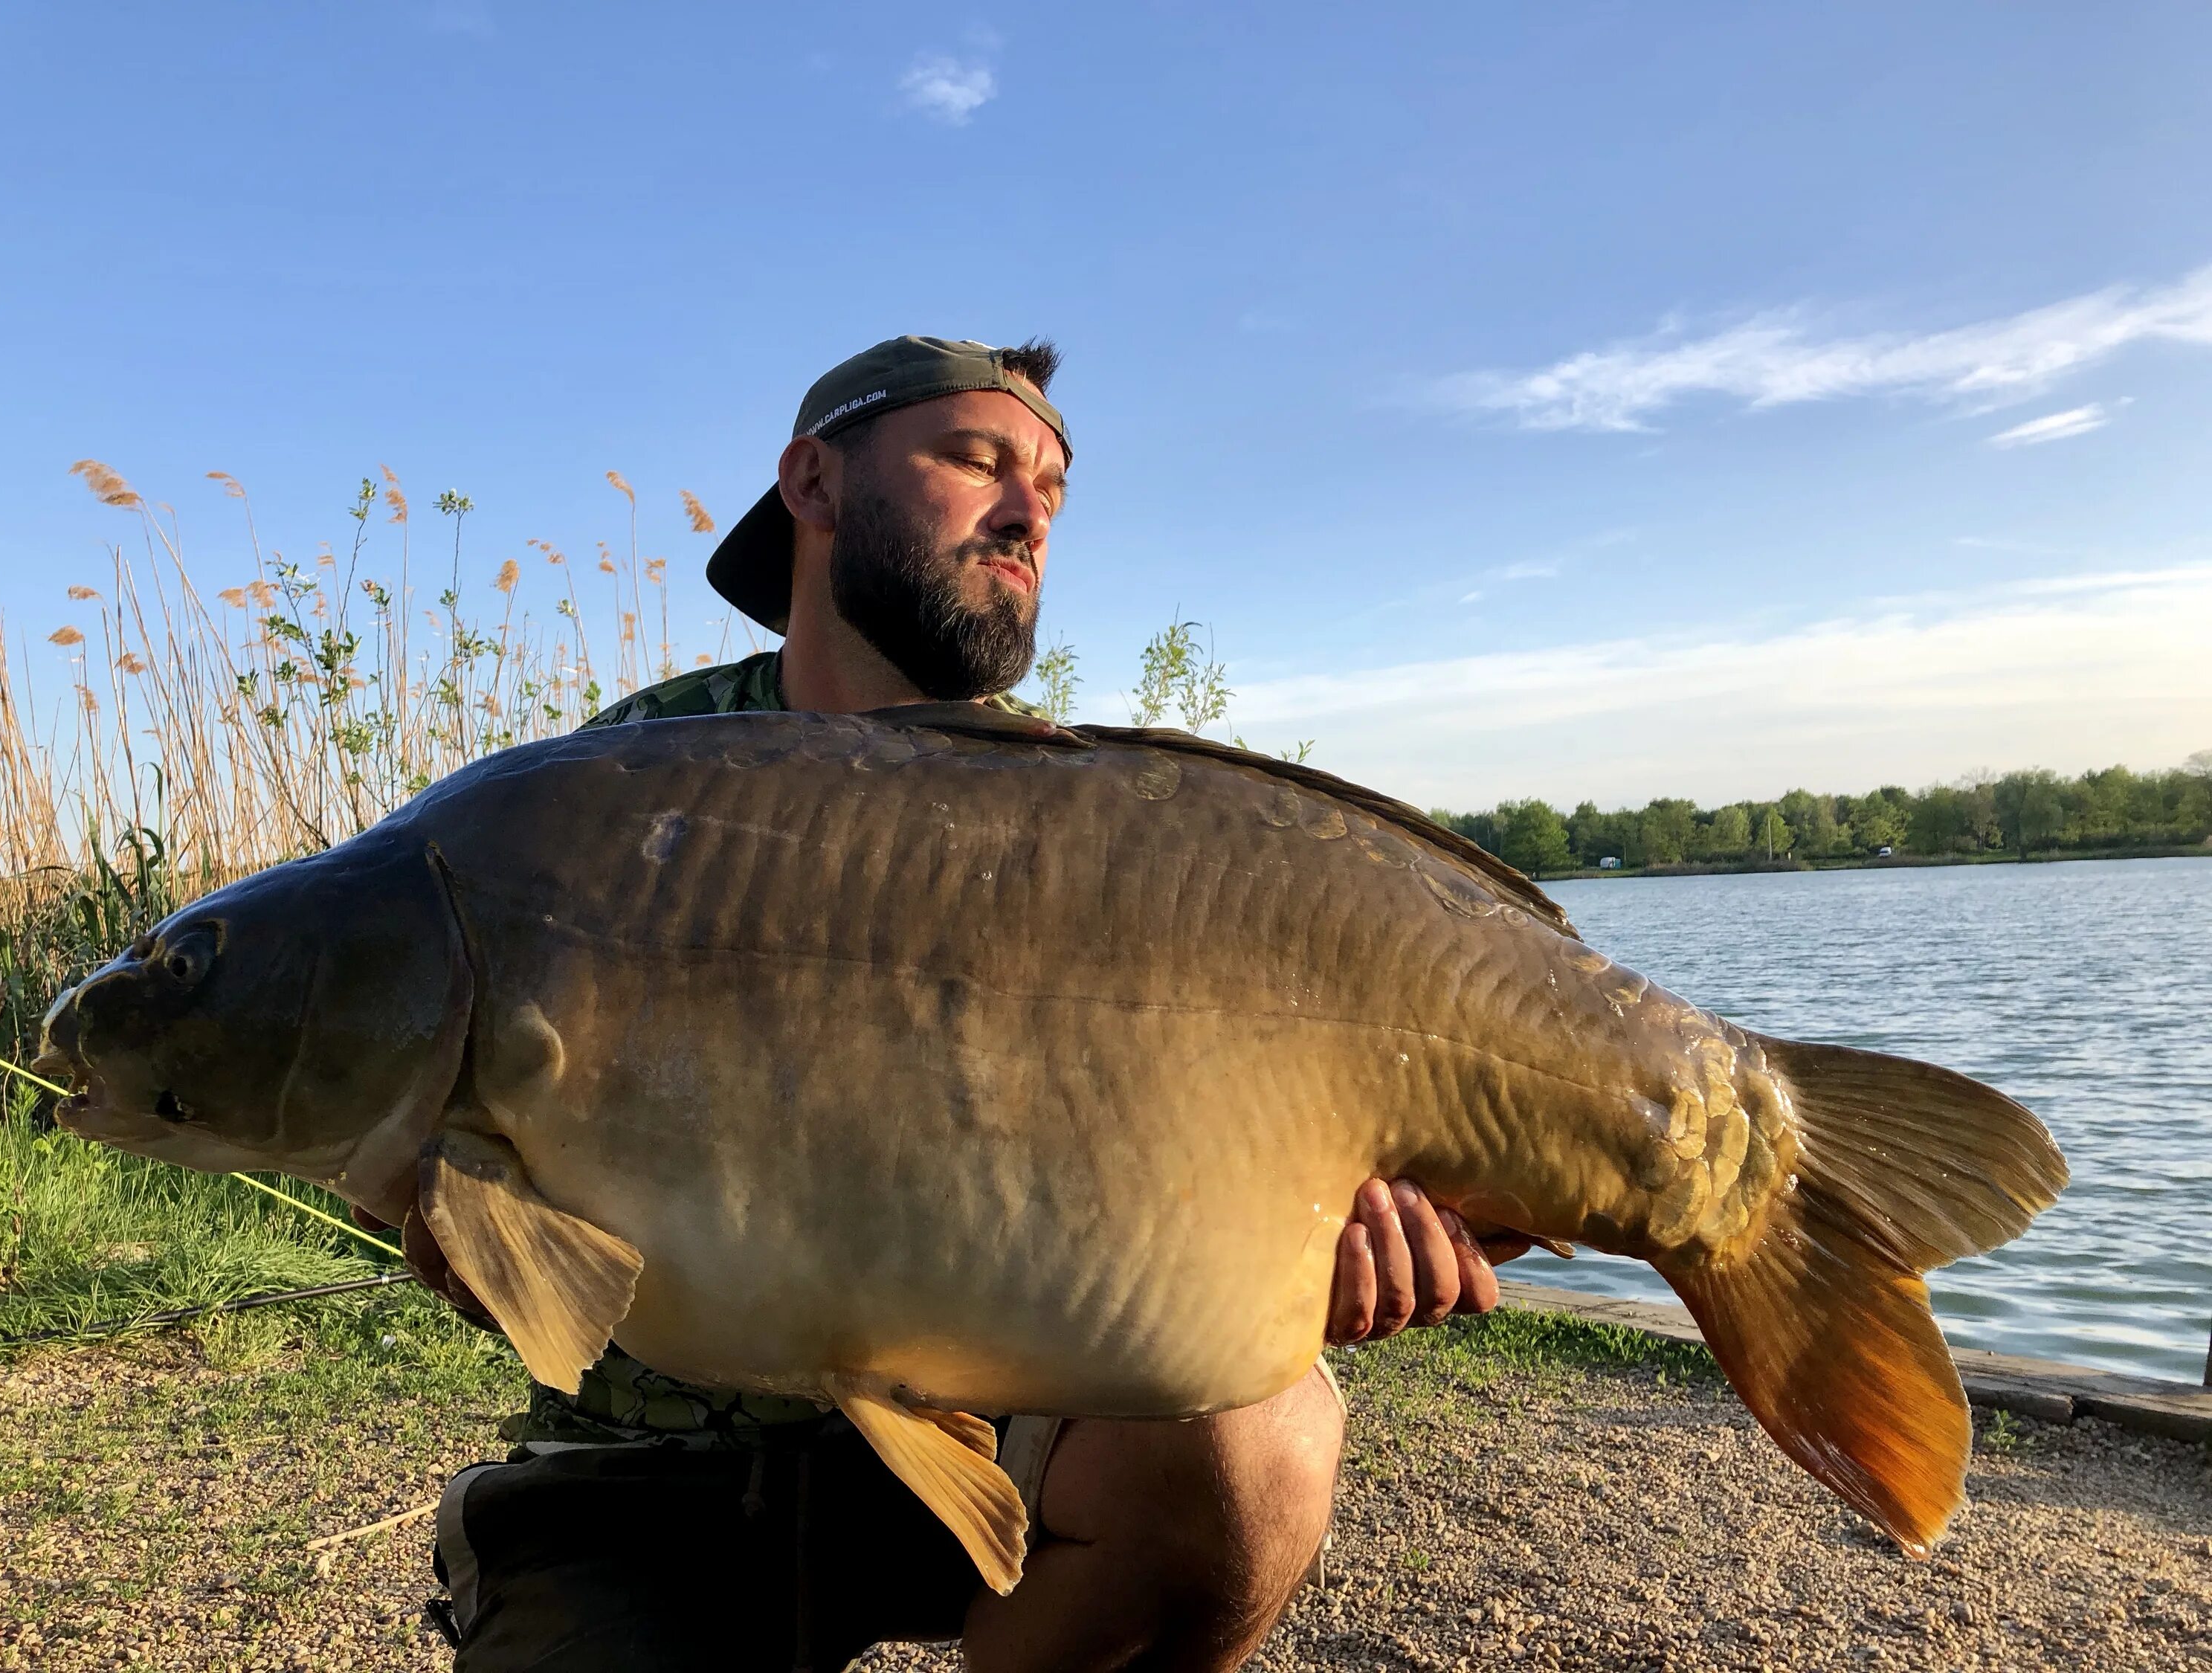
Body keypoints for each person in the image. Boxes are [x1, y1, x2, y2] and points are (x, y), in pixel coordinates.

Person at [390, 336, 1528, 1672]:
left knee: (1259, 1445)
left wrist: (1299, 1256)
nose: (1030, 509)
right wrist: (466, 1233)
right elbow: (517, 1252)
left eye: (1051, 482)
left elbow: (1178, 1197)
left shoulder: (1086, 824)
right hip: (648, 1471)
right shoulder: (608, 798)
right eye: (976, 459)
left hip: (1006, 1431)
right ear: (813, 483)